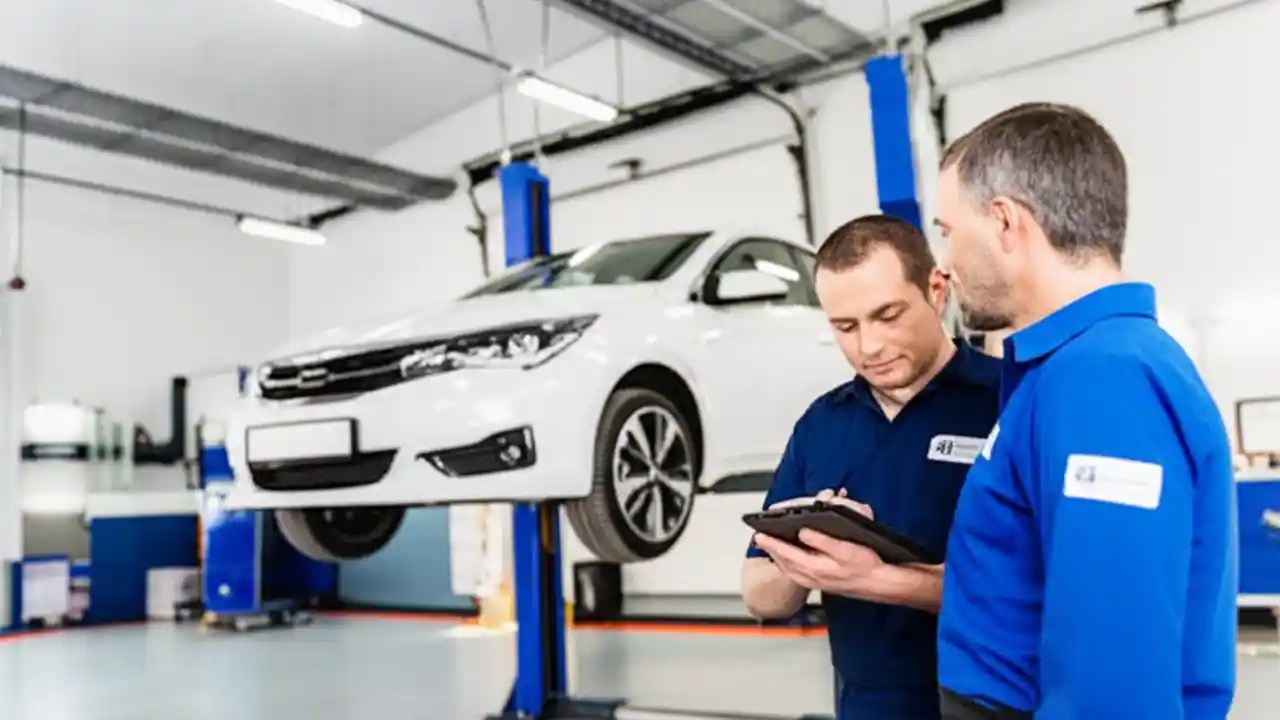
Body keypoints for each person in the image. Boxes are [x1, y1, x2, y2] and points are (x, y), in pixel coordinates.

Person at [933, 102, 1237, 719]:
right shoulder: (1079, 366)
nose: (946, 263)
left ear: (1005, 223)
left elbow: (1113, 677)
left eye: (948, 231)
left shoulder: (1101, 378)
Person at [742, 215, 1001, 720]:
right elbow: (761, 595)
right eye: (846, 326)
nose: (869, 347)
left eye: (887, 316)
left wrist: (876, 579)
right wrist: (808, 550)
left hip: (987, 707)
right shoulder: (821, 424)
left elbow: (1037, 592)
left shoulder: (1009, 401)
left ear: (936, 291)